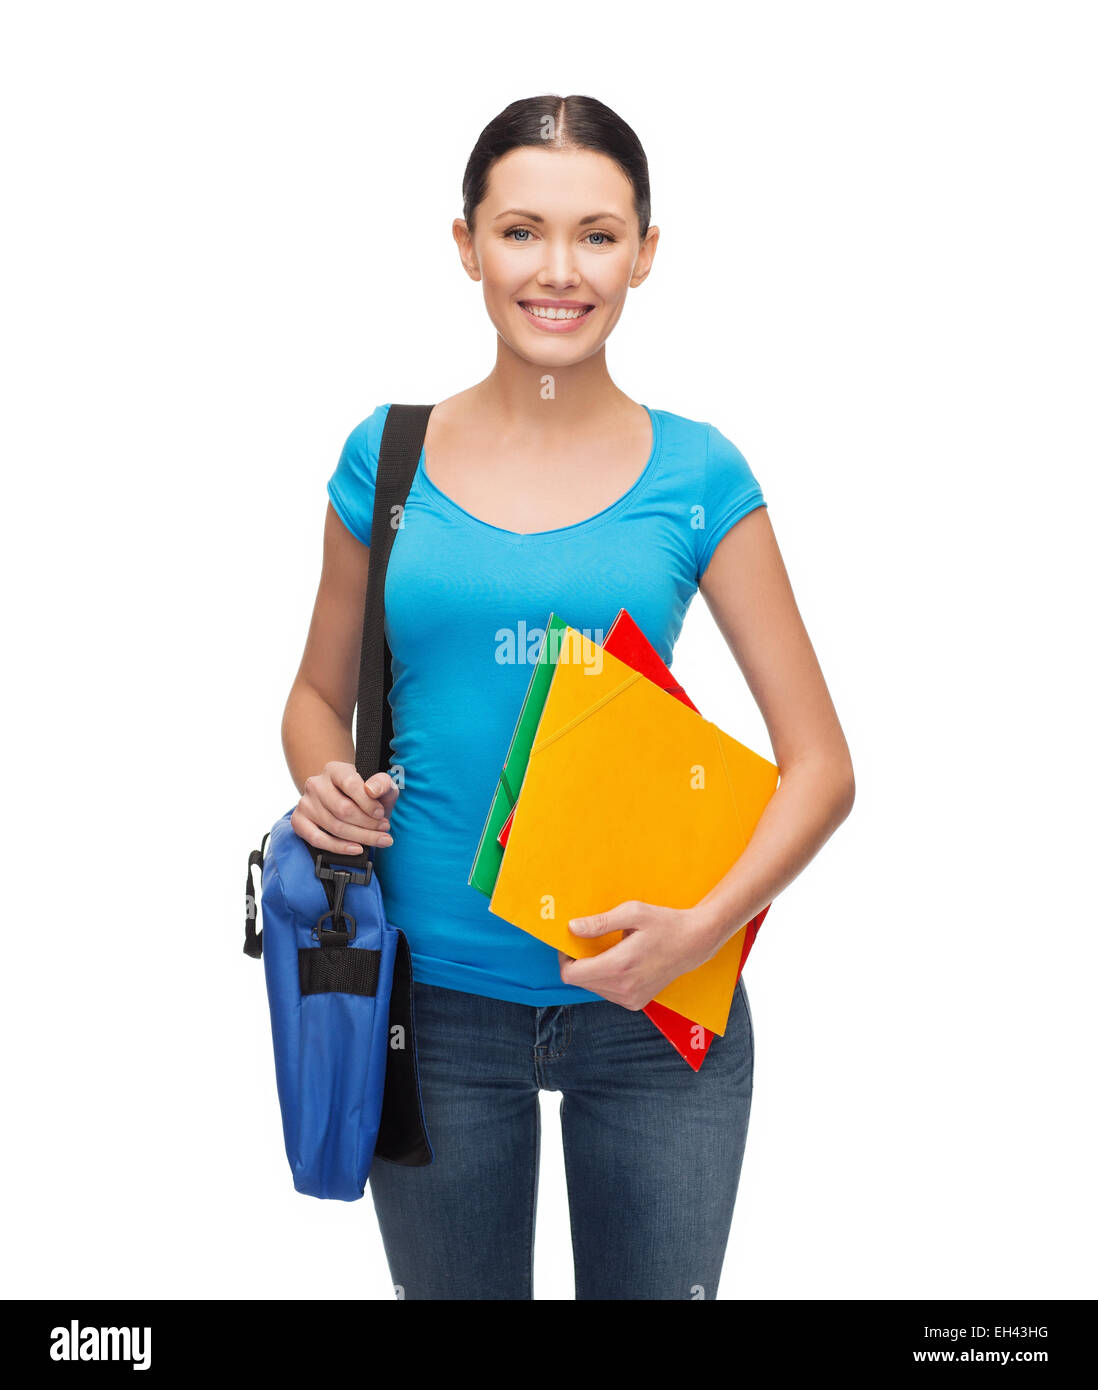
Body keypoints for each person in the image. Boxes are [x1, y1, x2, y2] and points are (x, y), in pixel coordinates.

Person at [280, 93, 855, 1300]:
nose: (558, 270)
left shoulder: (701, 473)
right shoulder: (383, 458)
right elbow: (313, 698)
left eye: (597, 235)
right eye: (520, 231)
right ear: (466, 246)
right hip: (431, 1009)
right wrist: (321, 777)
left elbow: (822, 764)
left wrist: (702, 933)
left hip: (654, 1018)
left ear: (646, 253)